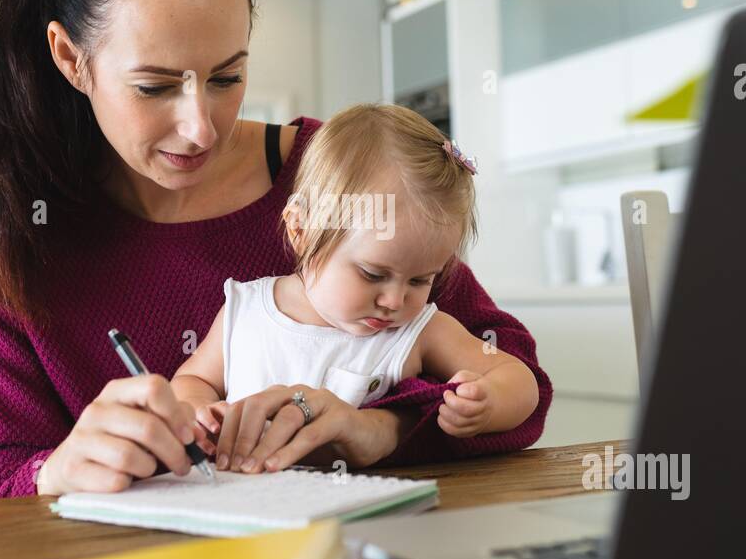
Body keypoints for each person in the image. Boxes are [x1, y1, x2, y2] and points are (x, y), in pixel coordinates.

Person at [0, 0, 553, 499]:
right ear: (72, 59)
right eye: (154, 87)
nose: (200, 127)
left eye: (227, 76)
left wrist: (379, 430)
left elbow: (518, 384)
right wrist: (57, 470)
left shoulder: (339, 176)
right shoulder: (16, 225)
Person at [172, 103, 540, 475]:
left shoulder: (422, 332)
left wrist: (489, 404)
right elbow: (193, 380)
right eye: (372, 274)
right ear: (300, 230)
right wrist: (200, 411)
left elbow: (520, 380)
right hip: (250, 509)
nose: (394, 301)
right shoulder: (245, 310)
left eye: (420, 280)